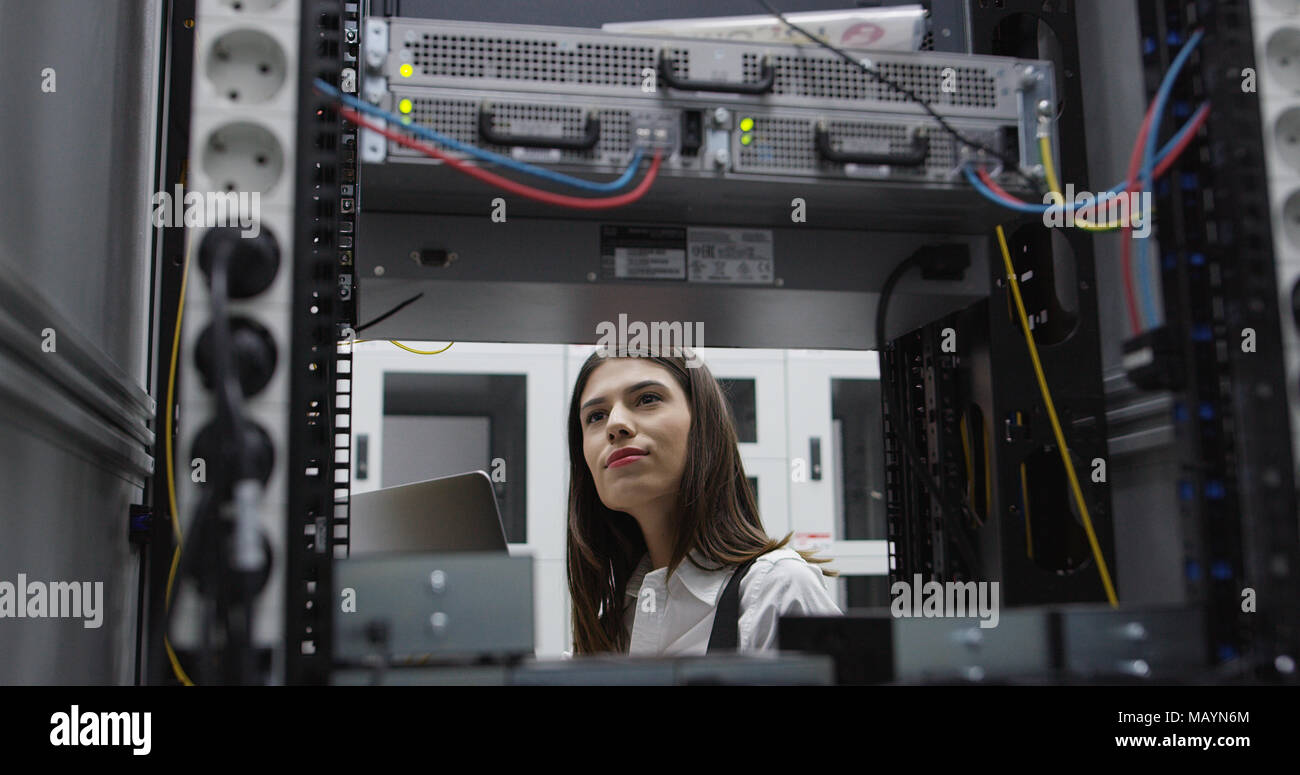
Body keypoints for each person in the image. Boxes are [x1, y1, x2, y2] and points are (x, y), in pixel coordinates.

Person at [566, 347, 842, 656]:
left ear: (703, 424)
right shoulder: (611, 624)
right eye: (596, 416)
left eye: (647, 399)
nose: (615, 425)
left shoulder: (776, 590)